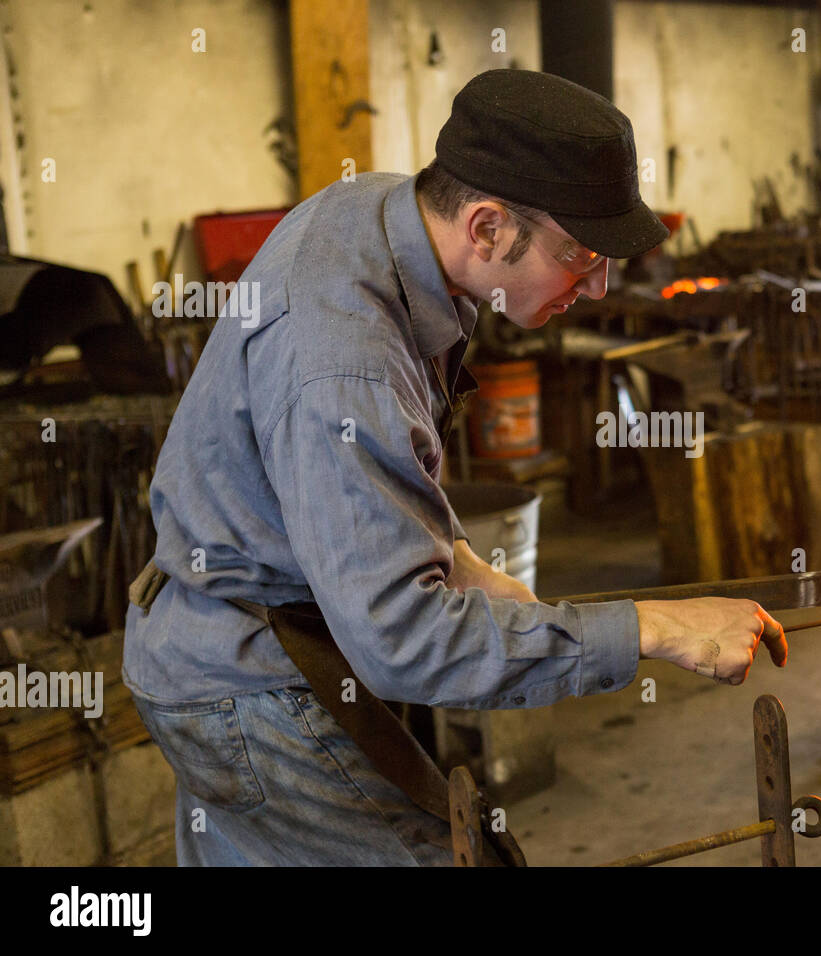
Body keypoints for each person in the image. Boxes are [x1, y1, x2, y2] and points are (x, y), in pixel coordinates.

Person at [123, 69, 787, 866]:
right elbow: (401, 641)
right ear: (486, 227)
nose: (598, 284)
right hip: (242, 679)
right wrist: (653, 629)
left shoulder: (377, 213)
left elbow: (364, 488)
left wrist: (462, 562)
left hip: (232, 635)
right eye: (579, 254)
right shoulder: (345, 359)